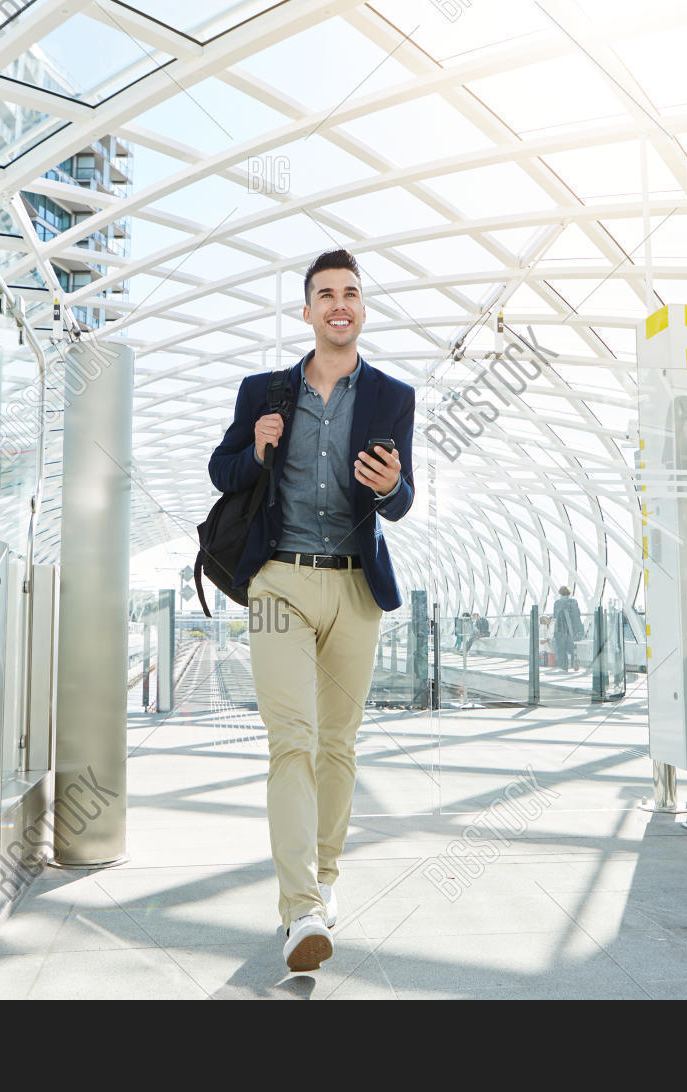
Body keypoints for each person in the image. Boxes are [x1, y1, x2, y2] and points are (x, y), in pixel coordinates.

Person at [207, 248, 415, 973]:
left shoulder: (393, 396)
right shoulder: (263, 391)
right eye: (325, 293)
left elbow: (404, 497)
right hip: (277, 587)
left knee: (338, 746)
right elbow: (222, 470)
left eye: (351, 293)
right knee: (290, 739)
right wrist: (256, 447)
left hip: (357, 586)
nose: (339, 303)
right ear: (307, 311)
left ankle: (325, 881)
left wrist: (391, 487)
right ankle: (298, 910)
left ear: (362, 308)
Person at [552, 586, 584, 672]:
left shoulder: (557, 603)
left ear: (560, 593)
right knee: (571, 647)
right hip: (571, 629)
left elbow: (555, 616)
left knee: (561, 649)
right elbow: (577, 615)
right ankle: (575, 661)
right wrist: (579, 629)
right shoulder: (574, 602)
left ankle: (564, 667)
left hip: (560, 629)